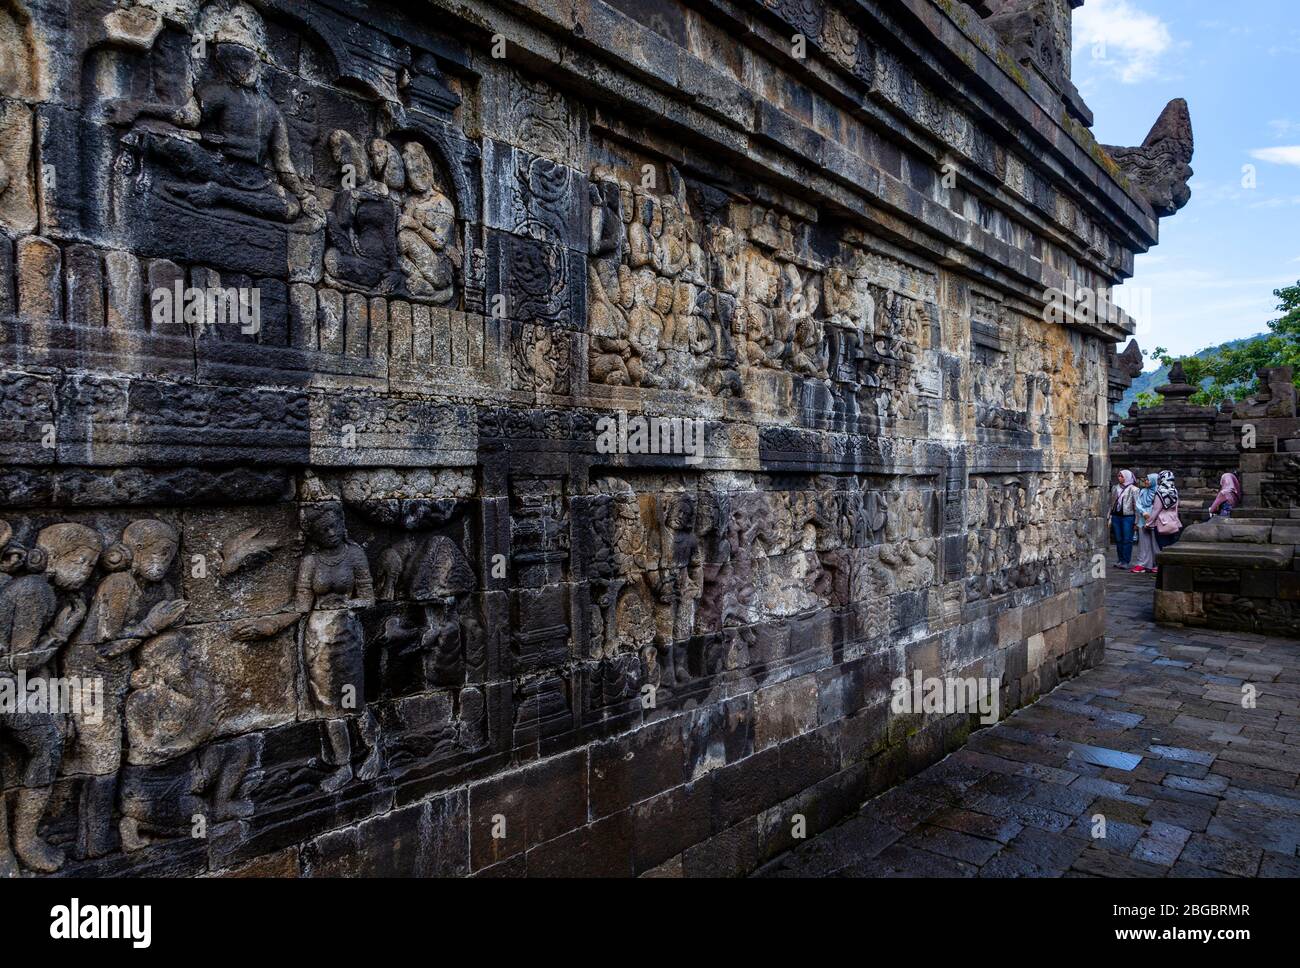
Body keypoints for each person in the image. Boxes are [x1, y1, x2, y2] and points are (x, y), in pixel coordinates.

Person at [1109, 469, 1139, 569]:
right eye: (1118, 476)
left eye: (1122, 476)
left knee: (1127, 539)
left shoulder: (1134, 489)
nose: (1119, 478)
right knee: (1118, 539)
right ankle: (1120, 559)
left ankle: (1126, 560)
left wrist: (1136, 521)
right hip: (1116, 516)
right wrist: (1109, 516)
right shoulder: (1115, 488)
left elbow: (1137, 507)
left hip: (1128, 516)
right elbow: (1111, 503)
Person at [1132, 472, 1160, 574]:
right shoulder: (1143, 491)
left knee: (1155, 542)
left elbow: (1159, 506)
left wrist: (1151, 515)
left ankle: (1156, 563)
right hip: (1143, 519)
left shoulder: (1159, 492)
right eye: (1146, 480)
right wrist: (1144, 512)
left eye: (1148, 480)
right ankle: (1142, 563)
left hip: (1155, 519)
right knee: (1143, 543)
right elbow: (1138, 503)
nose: (1146, 482)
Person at [1151, 470, 1183, 552]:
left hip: (1161, 522)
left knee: (1163, 547)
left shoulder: (1159, 491)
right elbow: (1176, 507)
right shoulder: (1174, 491)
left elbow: (1156, 510)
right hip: (1173, 521)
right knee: (1172, 546)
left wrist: (1149, 523)